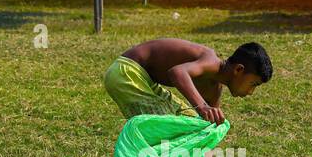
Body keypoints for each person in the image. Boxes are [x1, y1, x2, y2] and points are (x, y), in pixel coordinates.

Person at [103, 38, 271, 123]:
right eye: (253, 84)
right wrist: (202, 106)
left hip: (144, 80)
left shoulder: (215, 90)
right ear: (238, 70)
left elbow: (208, 133)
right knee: (168, 128)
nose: (250, 92)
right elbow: (177, 72)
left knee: (193, 125)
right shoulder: (210, 61)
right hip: (126, 72)